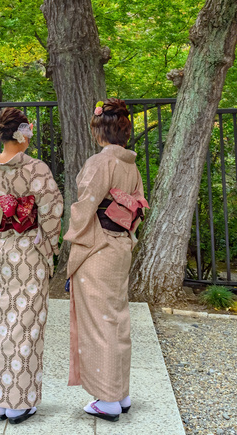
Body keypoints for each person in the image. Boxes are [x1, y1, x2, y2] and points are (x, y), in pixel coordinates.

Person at [0, 107, 63, 426]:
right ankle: (19, 402)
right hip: (29, 254)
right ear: (21, 135)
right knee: (26, 323)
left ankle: (1, 400)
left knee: (0, 321)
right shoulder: (37, 169)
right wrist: (49, 246)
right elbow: (52, 211)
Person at [65, 99, 149, 423]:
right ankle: (120, 392)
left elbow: (86, 205)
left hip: (98, 248)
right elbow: (137, 207)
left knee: (98, 323)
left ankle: (107, 399)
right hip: (120, 247)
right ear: (124, 131)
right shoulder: (131, 165)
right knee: (116, 319)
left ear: (99, 131)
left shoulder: (101, 162)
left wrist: (74, 236)